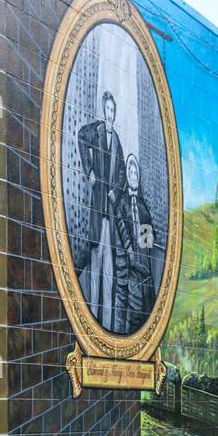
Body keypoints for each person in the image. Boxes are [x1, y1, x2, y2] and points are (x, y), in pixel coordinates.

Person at [75, 91, 127, 329]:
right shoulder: (94, 131)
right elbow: (80, 137)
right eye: (107, 109)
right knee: (95, 271)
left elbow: (122, 173)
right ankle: (94, 321)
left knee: (109, 272)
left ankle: (106, 325)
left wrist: (115, 191)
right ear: (103, 111)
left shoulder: (116, 139)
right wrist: (90, 171)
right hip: (98, 212)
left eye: (113, 110)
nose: (110, 114)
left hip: (111, 216)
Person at [113, 153, 156, 334]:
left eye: (136, 173)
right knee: (132, 306)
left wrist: (147, 242)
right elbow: (121, 230)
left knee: (146, 305)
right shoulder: (121, 203)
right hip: (128, 266)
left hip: (142, 264)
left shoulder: (142, 206)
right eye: (130, 173)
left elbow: (148, 238)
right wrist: (131, 252)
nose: (133, 176)